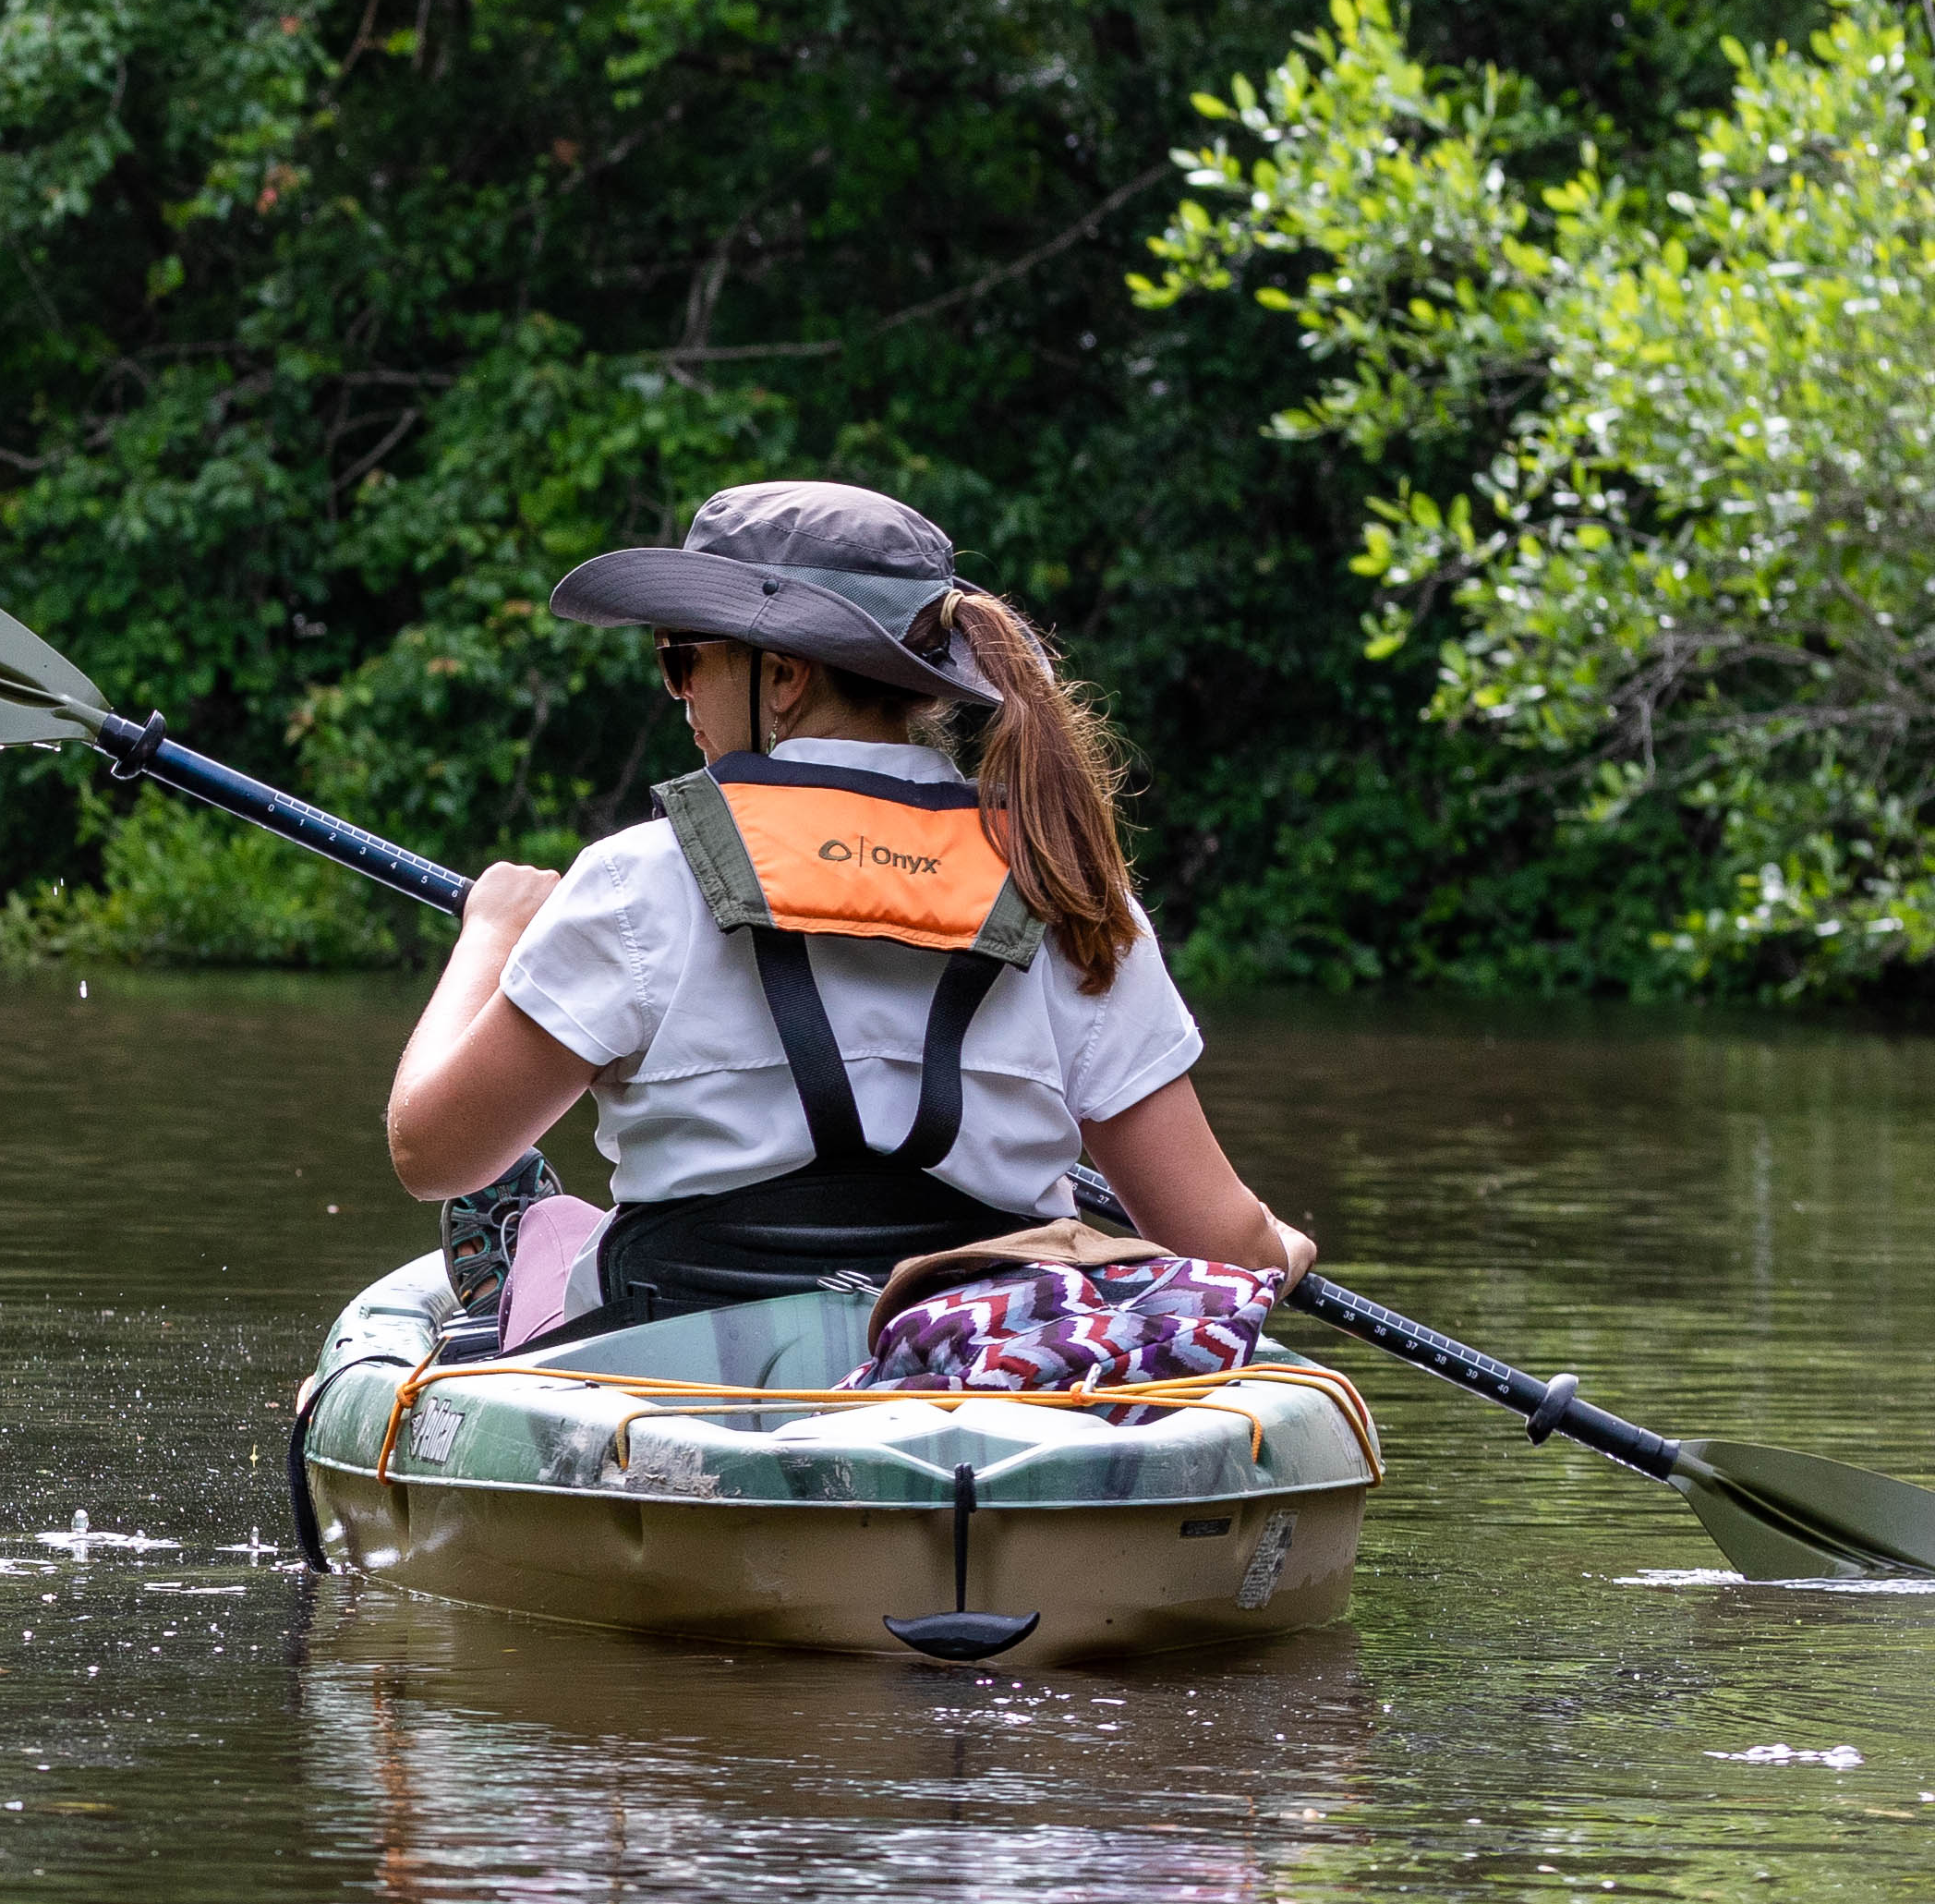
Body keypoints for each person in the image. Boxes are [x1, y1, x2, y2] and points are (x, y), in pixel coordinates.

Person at [381, 478, 1310, 1337]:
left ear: (782, 675)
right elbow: (1224, 1252)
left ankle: (517, 1253)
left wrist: (494, 934)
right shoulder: (1069, 893)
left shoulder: (636, 880)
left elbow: (432, 1152)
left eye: (683, 660)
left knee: (553, 1230)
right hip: (971, 1387)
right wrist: (1278, 1249)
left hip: (674, 1390)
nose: (681, 696)